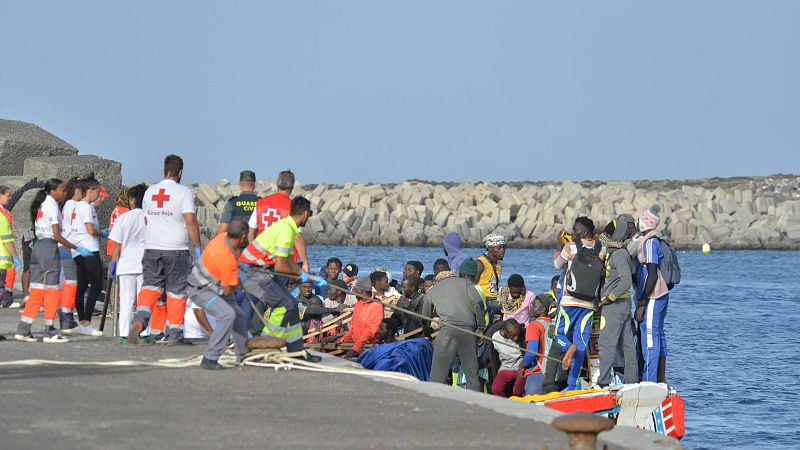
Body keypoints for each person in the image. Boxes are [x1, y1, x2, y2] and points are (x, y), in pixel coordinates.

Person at [128, 154, 202, 345]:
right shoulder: (184, 193)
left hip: (152, 248)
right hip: (176, 249)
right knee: (176, 291)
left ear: (164, 170)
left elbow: (146, 219)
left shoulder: (150, 192)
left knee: (151, 288)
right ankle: (175, 333)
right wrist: (198, 247)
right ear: (181, 172)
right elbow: (190, 220)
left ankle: (141, 323)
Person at [239, 196, 322, 362]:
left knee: (291, 303)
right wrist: (305, 275)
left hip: (262, 270)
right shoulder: (285, 231)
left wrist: (307, 275)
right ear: (306, 214)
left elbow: (288, 264)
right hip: (252, 273)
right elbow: (281, 267)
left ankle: (297, 350)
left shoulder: (288, 227)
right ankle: (264, 346)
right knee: (283, 305)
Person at [15, 179, 92, 343]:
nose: (65, 193)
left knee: (37, 291)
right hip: (49, 248)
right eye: (62, 190)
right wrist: (77, 248)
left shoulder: (43, 205)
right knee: (52, 290)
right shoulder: (53, 207)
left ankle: (23, 329)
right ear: (53, 191)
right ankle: (50, 330)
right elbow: (57, 236)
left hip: (38, 248)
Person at [186, 219, 250, 369]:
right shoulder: (226, 259)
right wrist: (239, 279)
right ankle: (210, 357)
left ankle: (243, 355)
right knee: (227, 314)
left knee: (239, 315)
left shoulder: (222, 237)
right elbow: (228, 290)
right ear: (242, 237)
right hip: (200, 289)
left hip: (214, 284)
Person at [552, 216, 601, 390]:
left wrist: (559, 244)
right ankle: (572, 386)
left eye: (576, 229)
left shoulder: (570, 247)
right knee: (581, 344)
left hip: (568, 300)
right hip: (588, 304)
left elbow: (557, 264)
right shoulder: (600, 249)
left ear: (585, 231)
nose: (573, 232)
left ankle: (568, 347)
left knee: (559, 335)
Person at [423, 270, 487, 391]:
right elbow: (479, 305)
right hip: (469, 332)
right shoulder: (466, 283)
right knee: (472, 375)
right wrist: (481, 328)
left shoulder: (432, 290)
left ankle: (433, 401)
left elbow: (425, 318)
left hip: (447, 332)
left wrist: (427, 334)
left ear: (437, 281)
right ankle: (476, 404)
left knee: (437, 375)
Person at [595, 215, 639, 387]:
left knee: (606, 344)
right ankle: (632, 382)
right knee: (627, 345)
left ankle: (603, 382)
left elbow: (626, 281)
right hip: (625, 305)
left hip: (614, 305)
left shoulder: (619, 254)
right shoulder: (622, 252)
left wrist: (607, 299)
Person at [247, 170, 310, 273]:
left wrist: (256, 252)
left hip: (262, 260)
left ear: (277, 184)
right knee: (280, 289)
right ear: (292, 186)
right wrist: (305, 263)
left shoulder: (260, 203)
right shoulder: (292, 208)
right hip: (283, 261)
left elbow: (251, 231)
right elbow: (297, 238)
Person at [634, 205, 670, 383]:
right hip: (659, 295)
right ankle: (660, 378)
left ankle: (649, 380)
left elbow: (652, 273)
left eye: (640, 219)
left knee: (650, 337)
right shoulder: (653, 240)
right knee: (658, 335)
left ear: (645, 222)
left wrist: (641, 302)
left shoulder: (649, 242)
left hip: (654, 295)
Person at [109, 183, 147, 341]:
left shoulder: (124, 217)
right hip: (146, 264)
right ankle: (145, 333)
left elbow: (117, 244)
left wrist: (113, 263)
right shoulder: (149, 217)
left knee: (127, 301)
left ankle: (124, 333)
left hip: (126, 264)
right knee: (144, 301)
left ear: (131, 200)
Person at [71, 175, 108, 336]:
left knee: (82, 285)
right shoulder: (85, 207)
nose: (99, 195)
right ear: (91, 190)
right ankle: (86, 322)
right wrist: (104, 233)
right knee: (96, 285)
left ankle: (82, 322)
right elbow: (90, 230)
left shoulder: (77, 206)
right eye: (97, 191)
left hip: (78, 249)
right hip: (89, 248)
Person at [329, 277, 383, 359]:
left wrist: (355, 349)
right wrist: (343, 340)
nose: (354, 293)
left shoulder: (377, 306)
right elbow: (353, 328)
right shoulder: (359, 303)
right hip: (356, 344)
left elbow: (370, 331)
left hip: (369, 346)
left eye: (356, 291)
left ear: (361, 291)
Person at [57, 176, 83, 332]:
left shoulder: (66, 205)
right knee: (70, 281)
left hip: (63, 246)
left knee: (65, 281)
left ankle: (64, 316)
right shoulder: (74, 206)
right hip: (69, 247)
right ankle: (66, 317)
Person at [522, 296, 554, 395]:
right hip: (554, 371)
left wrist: (522, 365)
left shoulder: (534, 326)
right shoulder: (553, 324)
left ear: (542, 309)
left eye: (534, 306)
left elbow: (532, 352)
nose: (530, 309)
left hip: (538, 372)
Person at [216, 170, 260, 237]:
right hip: (256, 245)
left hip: (237, 245)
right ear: (255, 184)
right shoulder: (262, 202)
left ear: (239, 184)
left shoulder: (232, 202)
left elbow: (222, 229)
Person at [491, 319, 525, 398]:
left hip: (522, 366)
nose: (516, 338)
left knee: (517, 391)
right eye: (513, 336)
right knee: (496, 388)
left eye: (517, 335)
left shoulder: (523, 334)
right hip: (506, 366)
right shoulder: (495, 338)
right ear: (505, 332)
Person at [0, 186, 21, 311]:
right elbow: (6, 237)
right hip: (4, 252)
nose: (10, 198)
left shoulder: (5, 212)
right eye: (8, 195)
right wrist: (15, 256)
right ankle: (6, 300)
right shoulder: (2, 215)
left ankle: (6, 299)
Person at [476, 233, 505, 316]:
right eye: (499, 247)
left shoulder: (498, 264)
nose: (502, 250)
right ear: (490, 248)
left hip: (494, 299)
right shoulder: (480, 263)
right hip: (484, 300)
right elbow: (471, 285)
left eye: (503, 247)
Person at [106, 187, 130, 258]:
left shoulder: (117, 208)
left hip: (111, 244)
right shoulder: (126, 212)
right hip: (119, 246)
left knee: (112, 267)